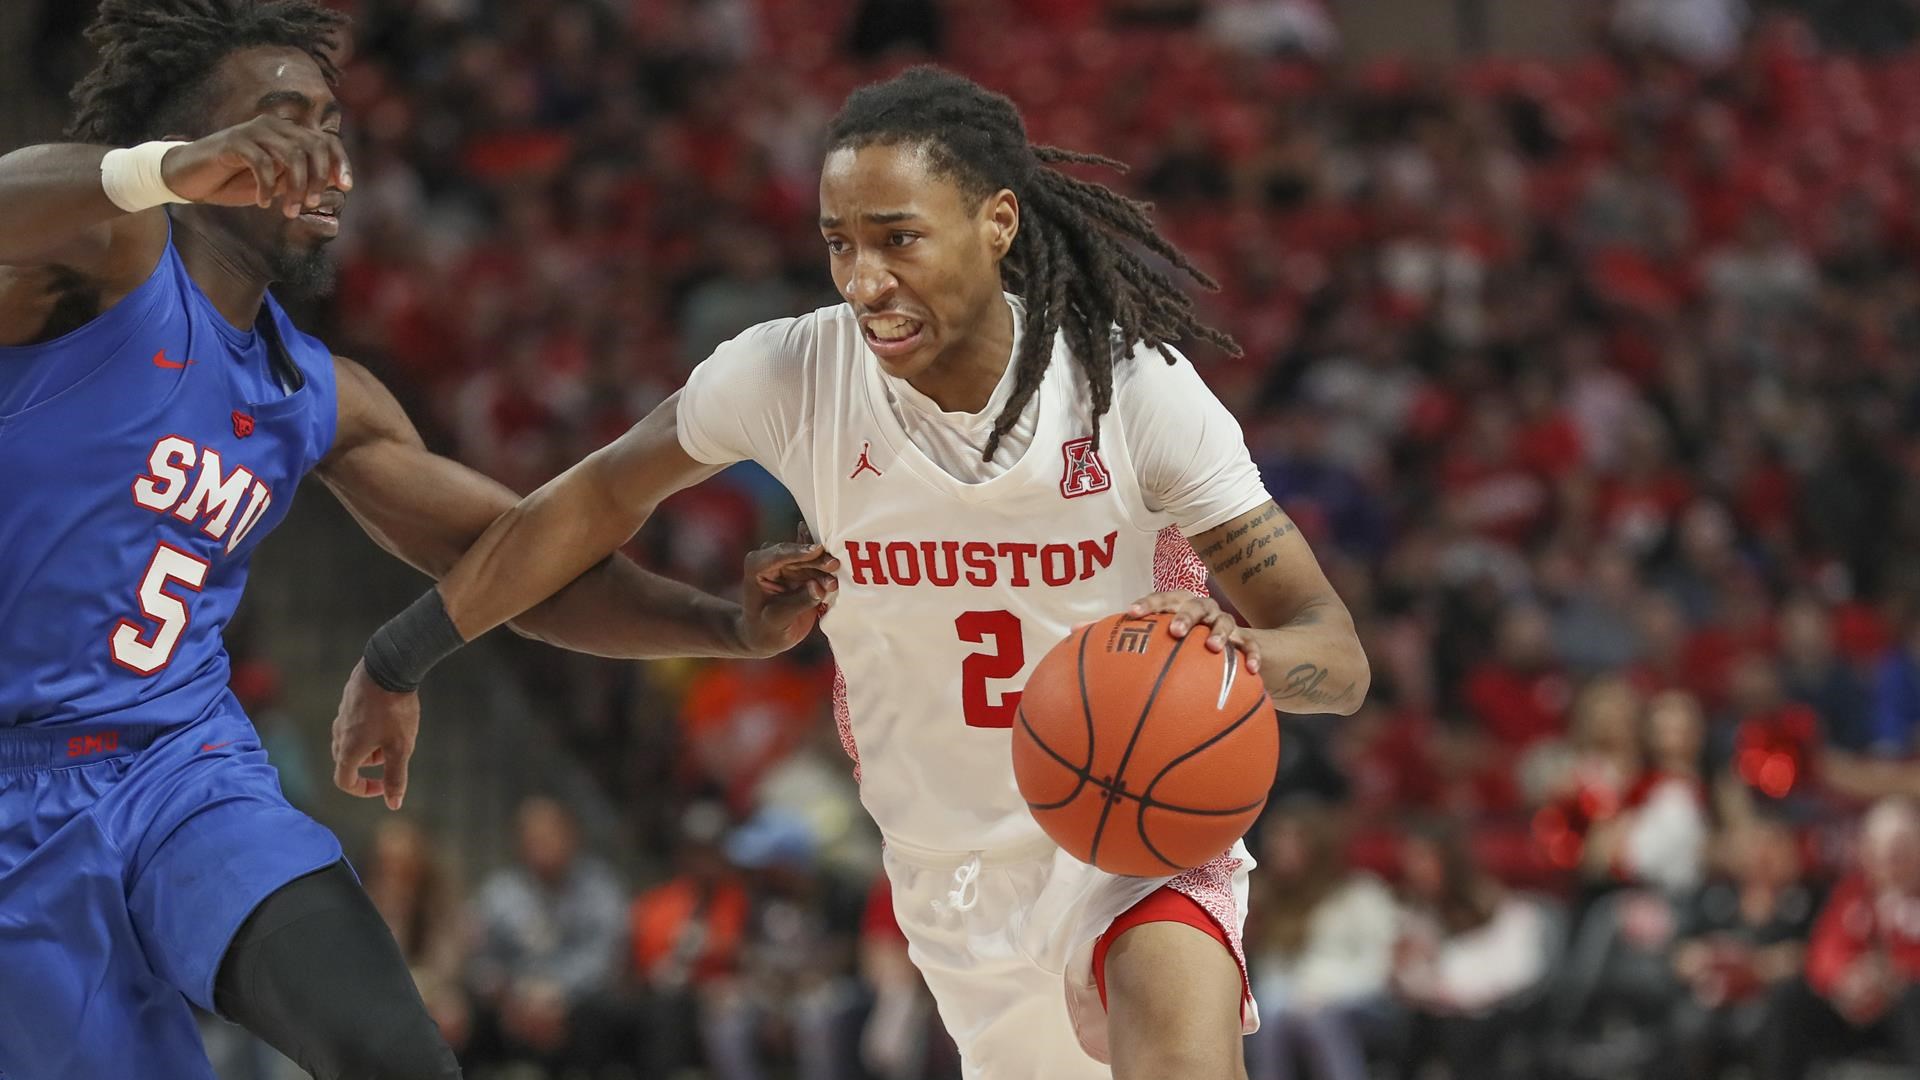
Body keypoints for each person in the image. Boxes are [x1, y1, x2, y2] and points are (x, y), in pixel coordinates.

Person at [335, 65, 1369, 1079]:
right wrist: (400, 656)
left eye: (899, 239)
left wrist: (1250, 658)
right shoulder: (794, 374)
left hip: (1143, 832)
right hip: (951, 874)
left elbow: (1335, 653)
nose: (865, 280)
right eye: (840, 242)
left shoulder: (1130, 388)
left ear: (997, 222)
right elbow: (580, 510)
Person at [0, 3, 832, 1077]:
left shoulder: (321, 395)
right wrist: (162, 170)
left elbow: (517, 559)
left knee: (398, 1054)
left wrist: (727, 627)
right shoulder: (109, 259)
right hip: (19, 799)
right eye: (282, 117)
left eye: (332, 120)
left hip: (184, 774)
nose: (321, 146)